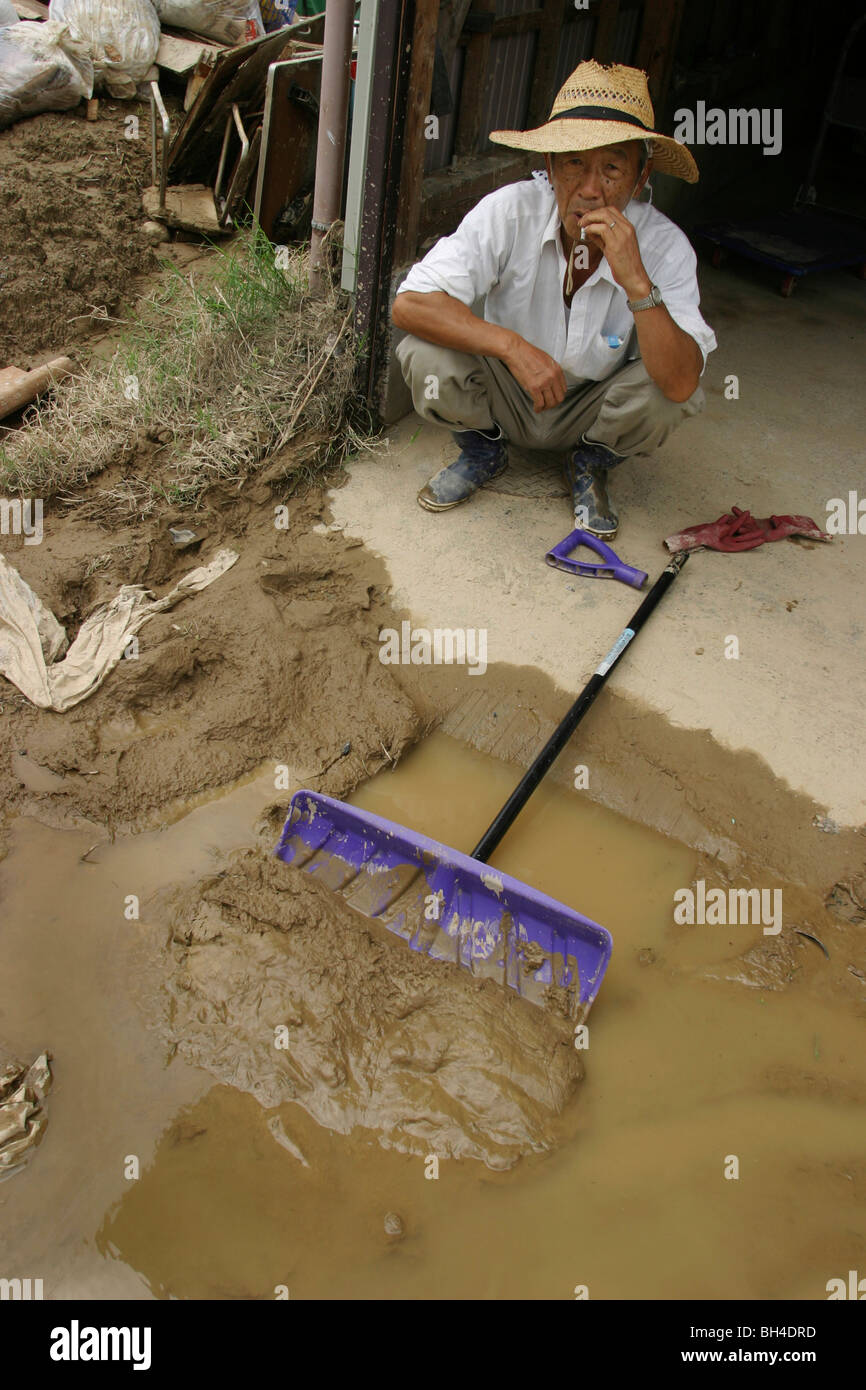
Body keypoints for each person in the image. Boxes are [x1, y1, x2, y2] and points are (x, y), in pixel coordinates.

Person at [391, 60, 717, 538]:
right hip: (508, 394)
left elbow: (683, 381)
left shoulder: (665, 245)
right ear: (549, 166)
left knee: (667, 397)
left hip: (595, 404)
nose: (589, 190)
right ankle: (483, 449)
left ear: (640, 174)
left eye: (611, 168)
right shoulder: (510, 211)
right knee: (424, 353)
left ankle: (591, 461)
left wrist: (638, 285)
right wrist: (511, 346)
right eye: (573, 164)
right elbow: (410, 304)